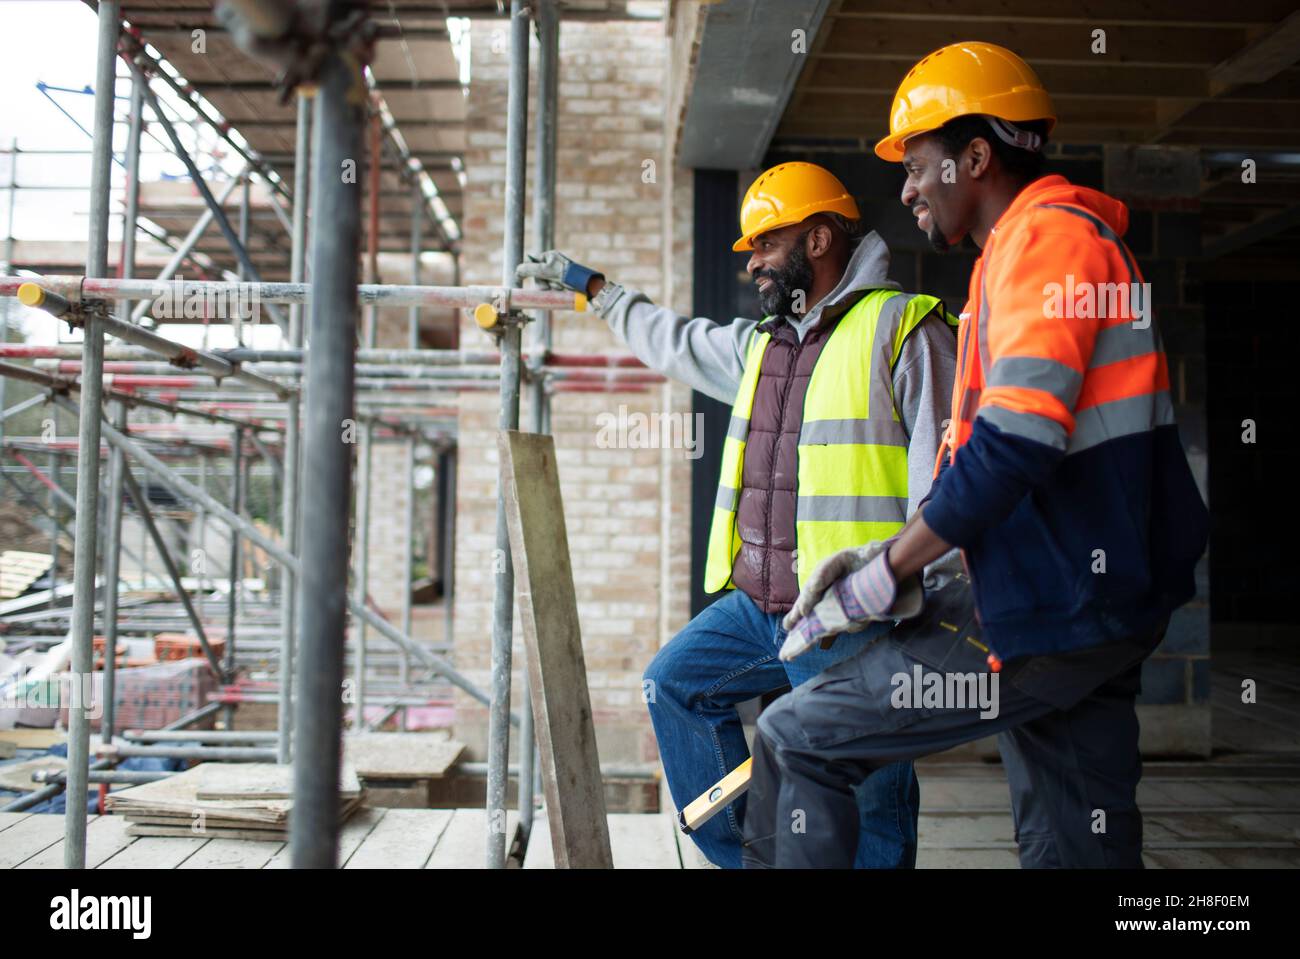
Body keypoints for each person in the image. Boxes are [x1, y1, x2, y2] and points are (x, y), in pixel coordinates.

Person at [739, 42, 1210, 869]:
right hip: (1091, 602)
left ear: (978, 158)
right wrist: (911, 553)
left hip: (1050, 599)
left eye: (919, 166)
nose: (908, 190)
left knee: (798, 734)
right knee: (1075, 840)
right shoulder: (1025, 253)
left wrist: (891, 565)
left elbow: (1016, 441)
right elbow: (994, 451)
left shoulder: (1047, 242)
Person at [518, 162, 959, 868]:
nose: (752, 262)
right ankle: (749, 856)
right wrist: (598, 290)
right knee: (675, 684)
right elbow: (677, 340)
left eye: (765, 243)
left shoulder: (903, 330)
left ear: (818, 239)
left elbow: (946, 483)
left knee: (872, 793)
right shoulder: (762, 344)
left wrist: (925, 608)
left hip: (853, 615)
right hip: (760, 606)